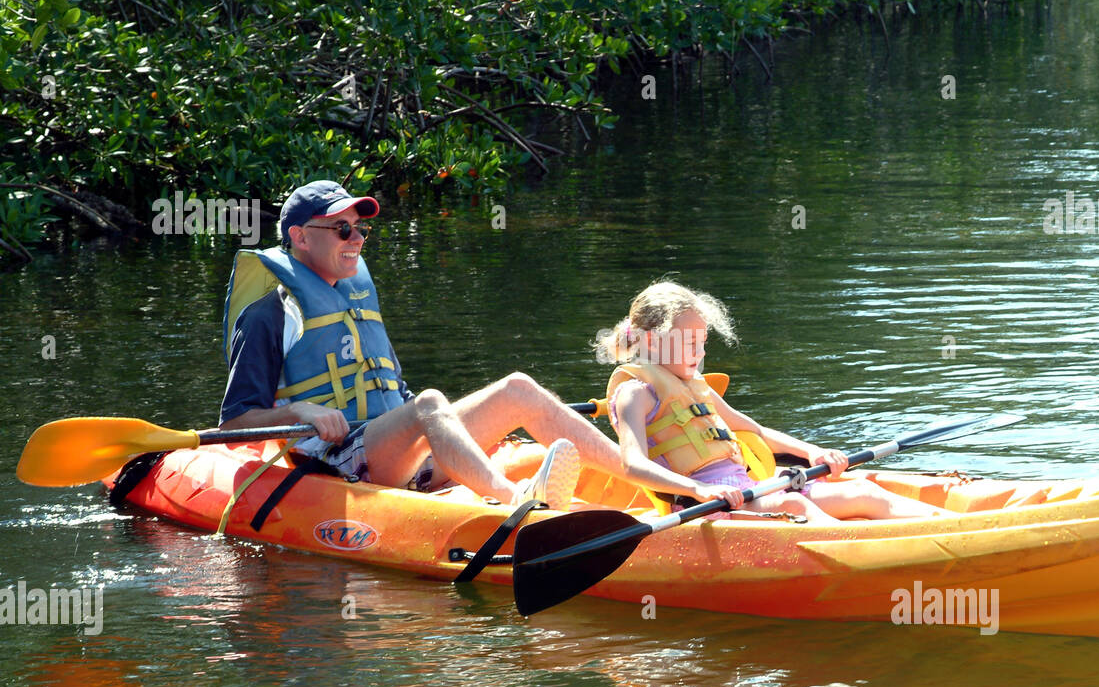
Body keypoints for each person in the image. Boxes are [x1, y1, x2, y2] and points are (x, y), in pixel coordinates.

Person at [220, 179, 628, 508]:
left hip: (392, 454)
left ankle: (647, 480)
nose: (357, 239)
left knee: (517, 388)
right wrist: (298, 409)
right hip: (335, 459)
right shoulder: (266, 317)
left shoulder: (356, 304)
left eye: (360, 228)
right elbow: (233, 424)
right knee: (431, 402)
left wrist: (454, 431)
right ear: (300, 237)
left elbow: (396, 391)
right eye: (342, 228)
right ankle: (517, 502)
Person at [592, 282, 953, 524]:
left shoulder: (692, 384)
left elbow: (752, 429)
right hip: (707, 505)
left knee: (863, 490)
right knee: (793, 505)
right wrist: (698, 489)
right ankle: (862, 552)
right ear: (653, 342)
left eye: (703, 343)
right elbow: (633, 464)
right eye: (689, 345)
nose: (700, 354)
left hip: (752, 486)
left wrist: (813, 452)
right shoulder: (635, 393)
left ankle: (959, 527)